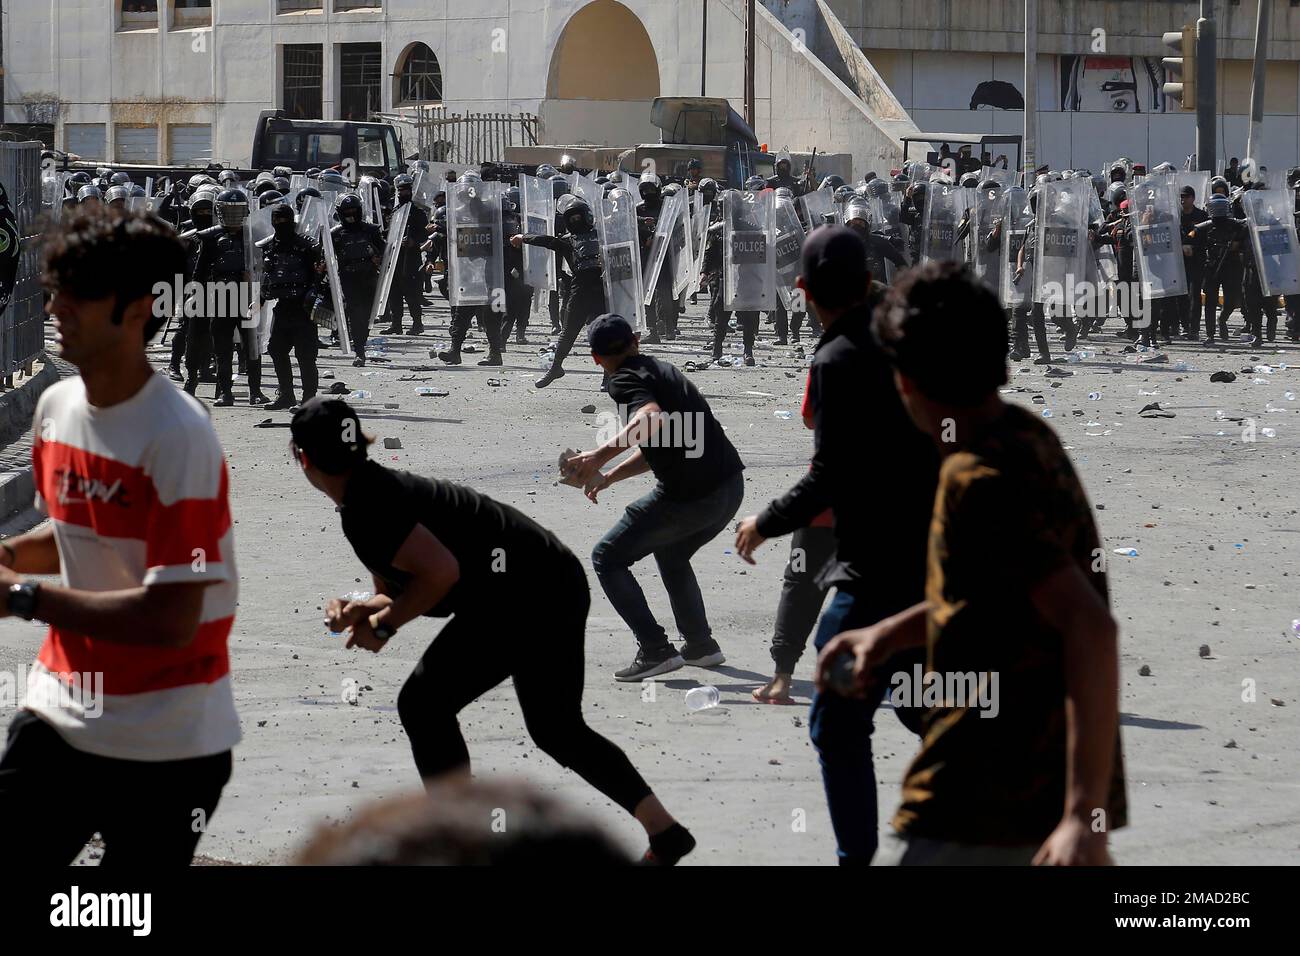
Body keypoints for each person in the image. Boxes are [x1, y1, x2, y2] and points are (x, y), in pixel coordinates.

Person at [289, 397, 696, 865]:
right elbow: (400, 586)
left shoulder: (368, 504)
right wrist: (361, 609)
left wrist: (383, 628)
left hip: (524, 593)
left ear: (302, 457)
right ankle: (665, 833)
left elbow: (439, 574)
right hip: (547, 579)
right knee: (556, 728)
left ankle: (460, 844)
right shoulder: (366, 494)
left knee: (424, 705)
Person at [820, 260, 1127, 865]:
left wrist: (1080, 815)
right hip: (1021, 790)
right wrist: (888, 634)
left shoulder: (975, 478)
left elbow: (1090, 626)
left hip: (986, 796)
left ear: (903, 381)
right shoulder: (1024, 433)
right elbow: (996, 590)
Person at [0, 208, 240, 864]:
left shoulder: (178, 435)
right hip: (60, 709)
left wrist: (24, 598)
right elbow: (82, 529)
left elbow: (171, 616)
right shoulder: (57, 408)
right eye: (55, 290)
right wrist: (8, 555)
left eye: (80, 294)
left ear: (138, 309)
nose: (57, 308)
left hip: (169, 741)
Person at [733, 228, 937, 864]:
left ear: (802, 291)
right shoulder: (909, 331)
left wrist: (764, 521)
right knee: (912, 691)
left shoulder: (841, 357)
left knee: (837, 703)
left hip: (880, 554)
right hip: (942, 539)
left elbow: (833, 472)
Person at [565, 315, 745, 681]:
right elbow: (663, 442)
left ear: (596, 359)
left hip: (690, 498)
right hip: (728, 487)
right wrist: (611, 477)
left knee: (607, 556)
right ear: (636, 339)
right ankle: (700, 646)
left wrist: (598, 456)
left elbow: (651, 420)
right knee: (672, 552)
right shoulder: (663, 371)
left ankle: (655, 649)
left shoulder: (624, 379)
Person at [512, 195, 607, 388]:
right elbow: (546, 240)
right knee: (568, 332)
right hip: (580, 291)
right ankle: (556, 367)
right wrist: (524, 238)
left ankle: (608, 375)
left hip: (602, 290)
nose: (575, 222)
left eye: (578, 217)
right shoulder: (567, 241)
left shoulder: (604, 234)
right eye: (571, 219)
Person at [260, 203, 324, 410]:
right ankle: (286, 394)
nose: (280, 224)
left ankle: (309, 398)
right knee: (276, 350)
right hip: (282, 305)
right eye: (276, 220)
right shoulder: (269, 245)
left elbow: (321, 273)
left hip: (303, 308)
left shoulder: (307, 246)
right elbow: (264, 275)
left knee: (305, 355)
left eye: (284, 219)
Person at [331, 193, 385, 367]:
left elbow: (386, 252)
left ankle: (361, 340)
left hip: (369, 275)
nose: (351, 214)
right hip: (348, 277)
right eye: (347, 211)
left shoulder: (371, 230)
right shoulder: (335, 235)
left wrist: (379, 258)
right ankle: (359, 350)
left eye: (354, 210)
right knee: (355, 312)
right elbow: (325, 257)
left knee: (368, 314)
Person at [379, 174, 429, 336]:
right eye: (400, 191)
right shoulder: (394, 211)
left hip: (411, 257)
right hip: (395, 256)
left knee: (411, 292)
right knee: (394, 292)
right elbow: (388, 232)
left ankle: (417, 323)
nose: (403, 194)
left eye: (406, 190)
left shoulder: (417, 212)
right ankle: (396, 324)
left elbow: (424, 234)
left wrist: (413, 241)